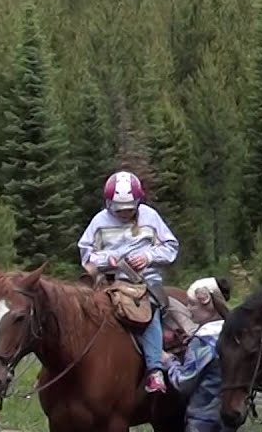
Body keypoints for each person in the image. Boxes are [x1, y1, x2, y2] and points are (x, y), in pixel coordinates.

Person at [77, 170, 180, 394]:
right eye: (119, 210)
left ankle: (154, 370)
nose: (124, 214)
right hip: (108, 282)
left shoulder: (150, 217)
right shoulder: (99, 222)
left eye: (129, 209)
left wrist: (148, 257)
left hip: (144, 283)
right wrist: (107, 260)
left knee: (146, 313)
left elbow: (171, 247)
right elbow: (86, 254)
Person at [162, 277, 231, 432]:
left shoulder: (203, 341)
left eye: (192, 304)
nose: (188, 308)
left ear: (207, 303)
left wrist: (169, 361)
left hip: (203, 419)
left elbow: (183, 383)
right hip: (227, 417)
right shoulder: (233, 333)